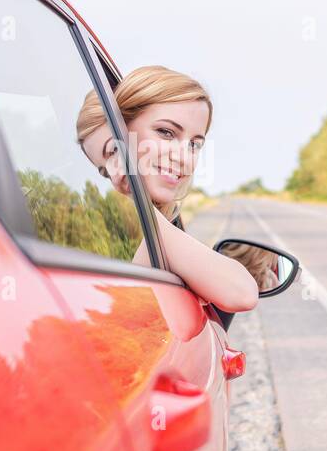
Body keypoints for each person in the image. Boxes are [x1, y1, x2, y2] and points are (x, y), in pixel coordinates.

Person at [76, 65, 258, 313]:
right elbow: (241, 293)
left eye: (194, 144)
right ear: (120, 131)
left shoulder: (147, 221)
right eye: (166, 132)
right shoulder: (107, 217)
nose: (184, 157)